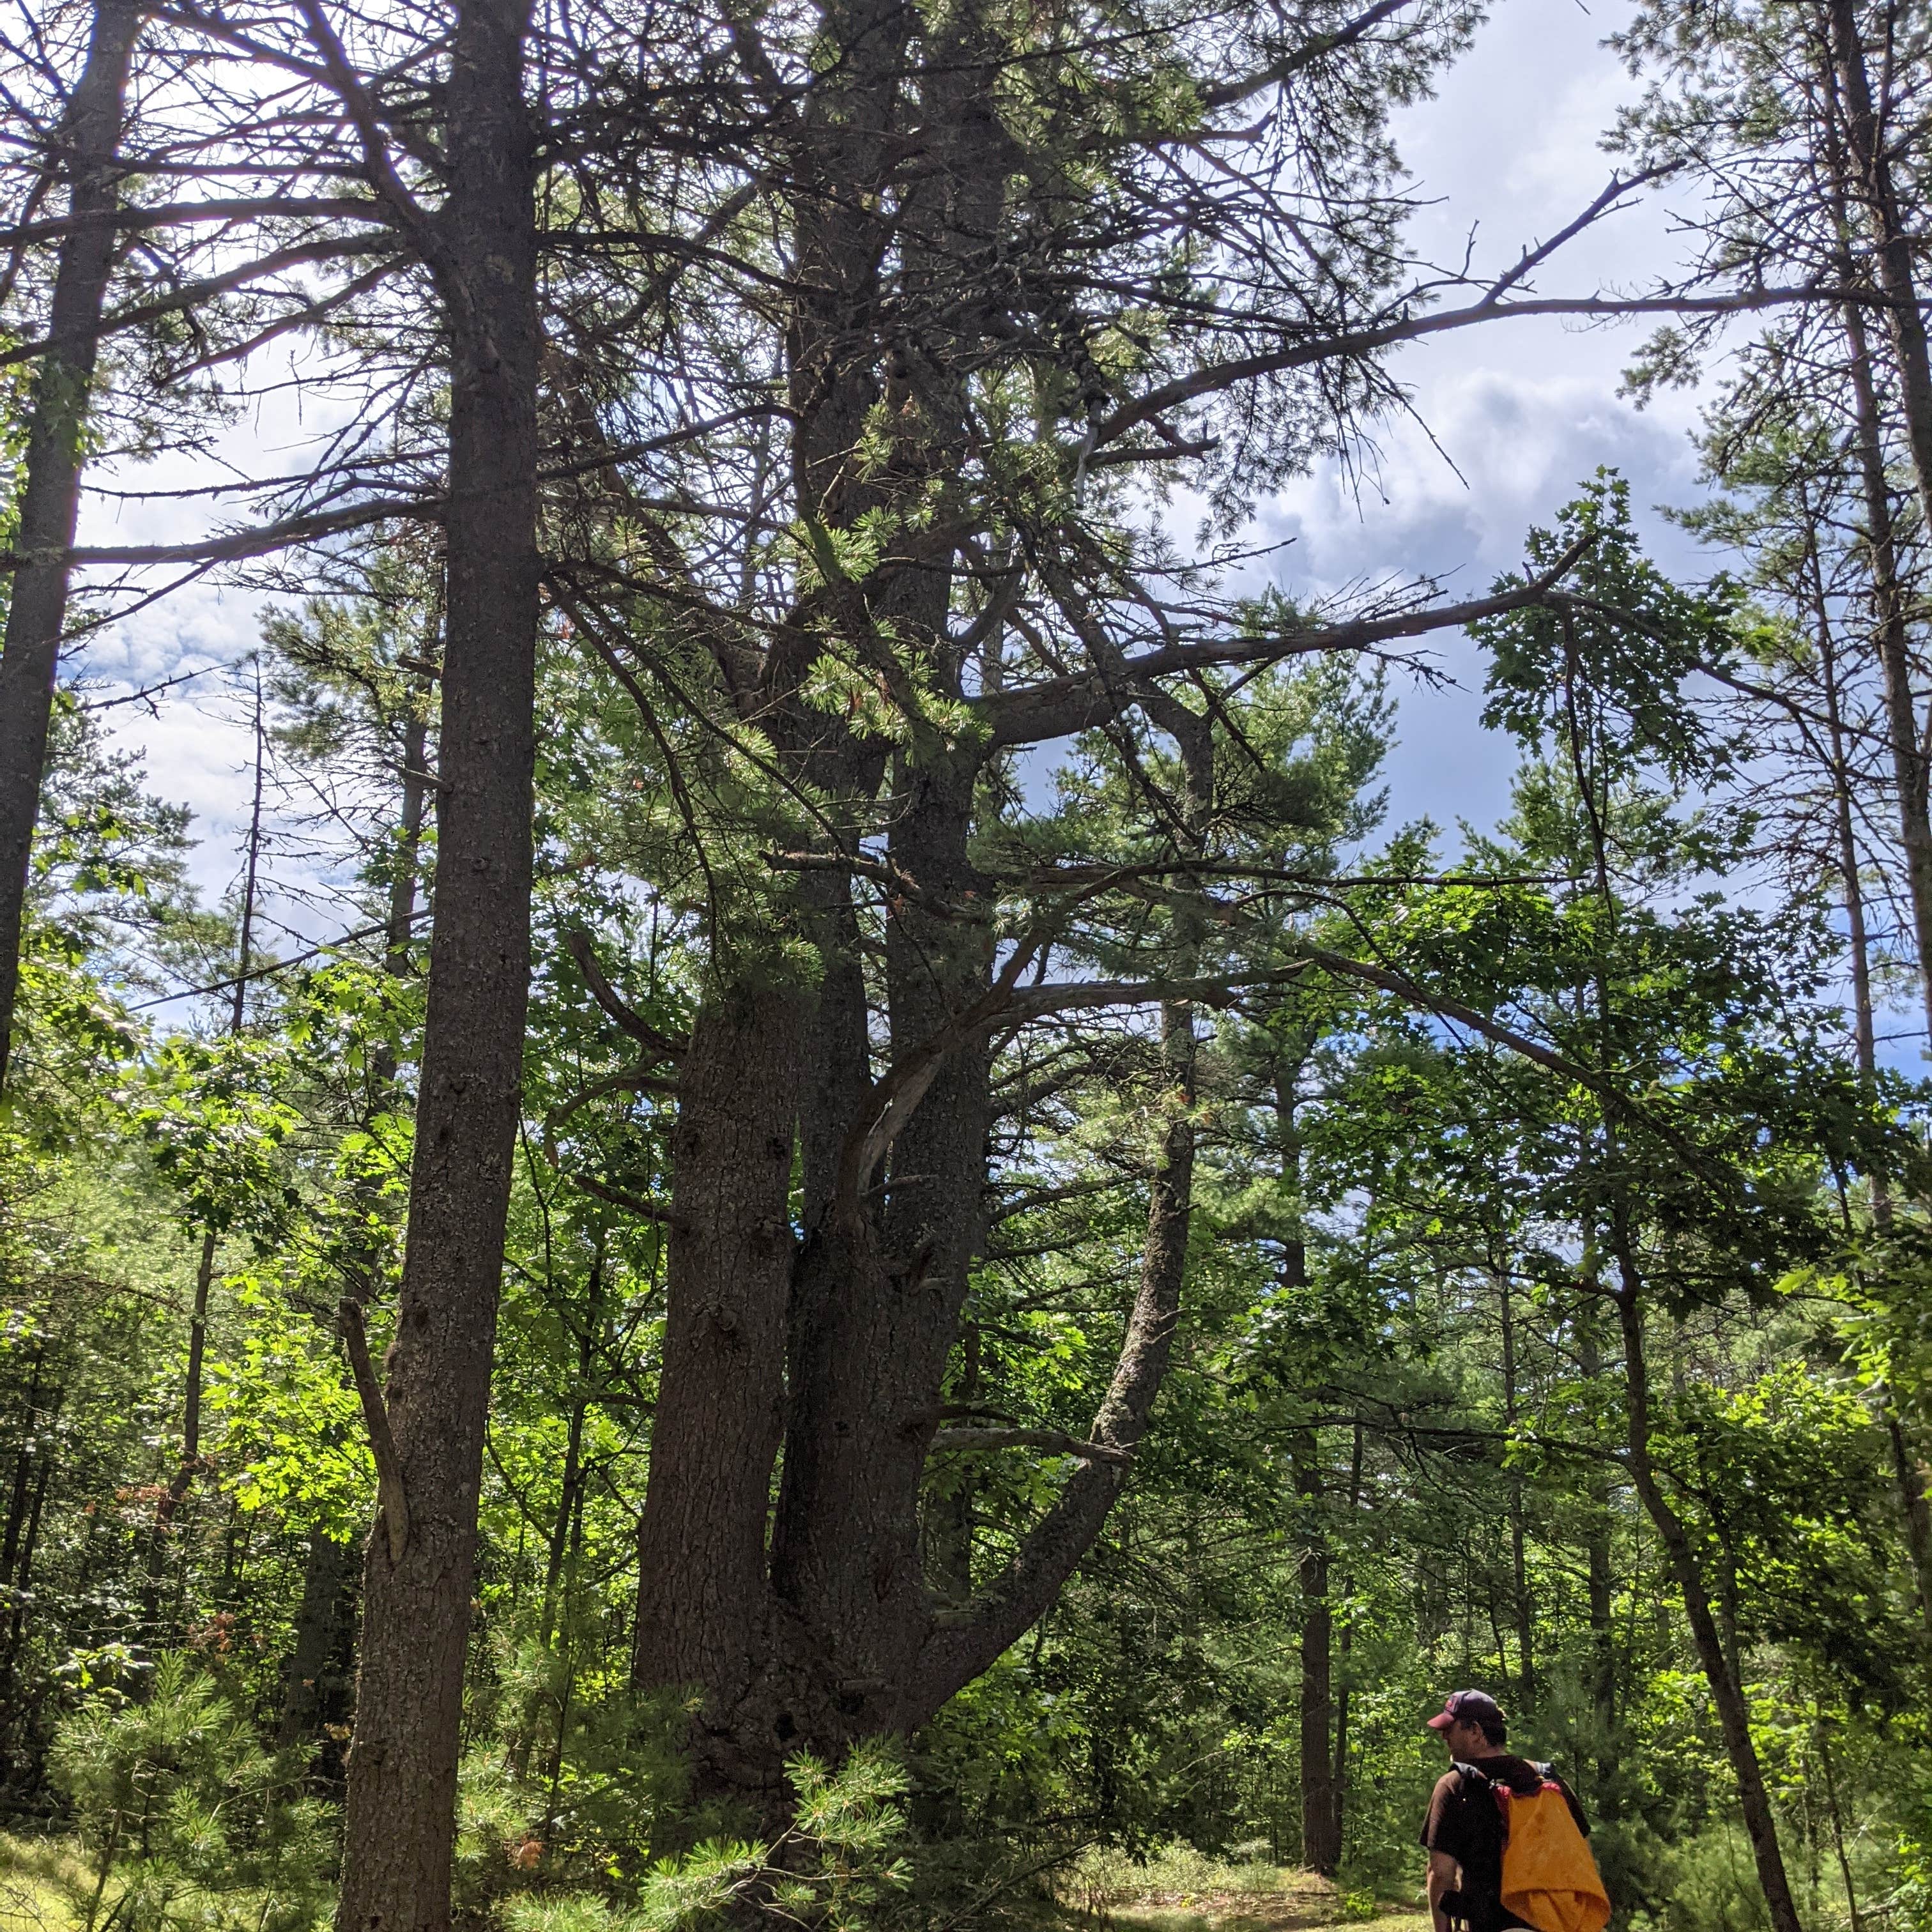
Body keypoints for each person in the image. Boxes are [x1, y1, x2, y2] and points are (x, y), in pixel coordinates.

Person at [1418, 1690, 1591, 1932]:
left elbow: (1440, 1873)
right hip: (1555, 1924)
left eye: (1450, 1728)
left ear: (1475, 1732)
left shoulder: (1455, 1785)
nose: (1444, 1735)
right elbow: (1581, 1855)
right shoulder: (1547, 1780)